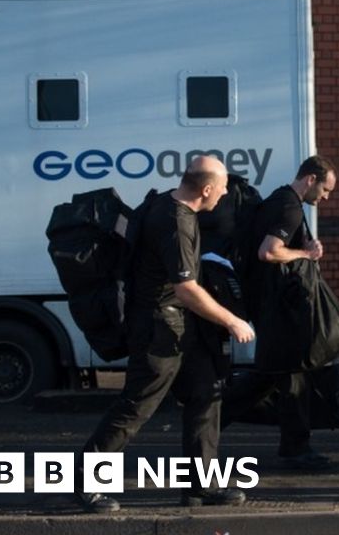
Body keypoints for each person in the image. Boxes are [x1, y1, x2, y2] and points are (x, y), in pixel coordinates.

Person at [77, 155, 255, 513]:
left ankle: (200, 486)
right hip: (159, 328)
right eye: (221, 188)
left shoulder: (163, 202)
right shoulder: (176, 221)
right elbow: (186, 287)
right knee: (138, 405)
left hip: (178, 325)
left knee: (206, 394)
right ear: (206, 189)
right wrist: (231, 321)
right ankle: (84, 482)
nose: (223, 194)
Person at [219, 155, 338, 471]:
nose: (325, 198)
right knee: (286, 373)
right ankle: (292, 448)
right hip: (279, 307)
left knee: (279, 376)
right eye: (325, 190)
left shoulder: (279, 201)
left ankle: (292, 445)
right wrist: (305, 252)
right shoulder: (288, 206)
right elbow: (269, 251)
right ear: (310, 179)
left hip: (272, 304)